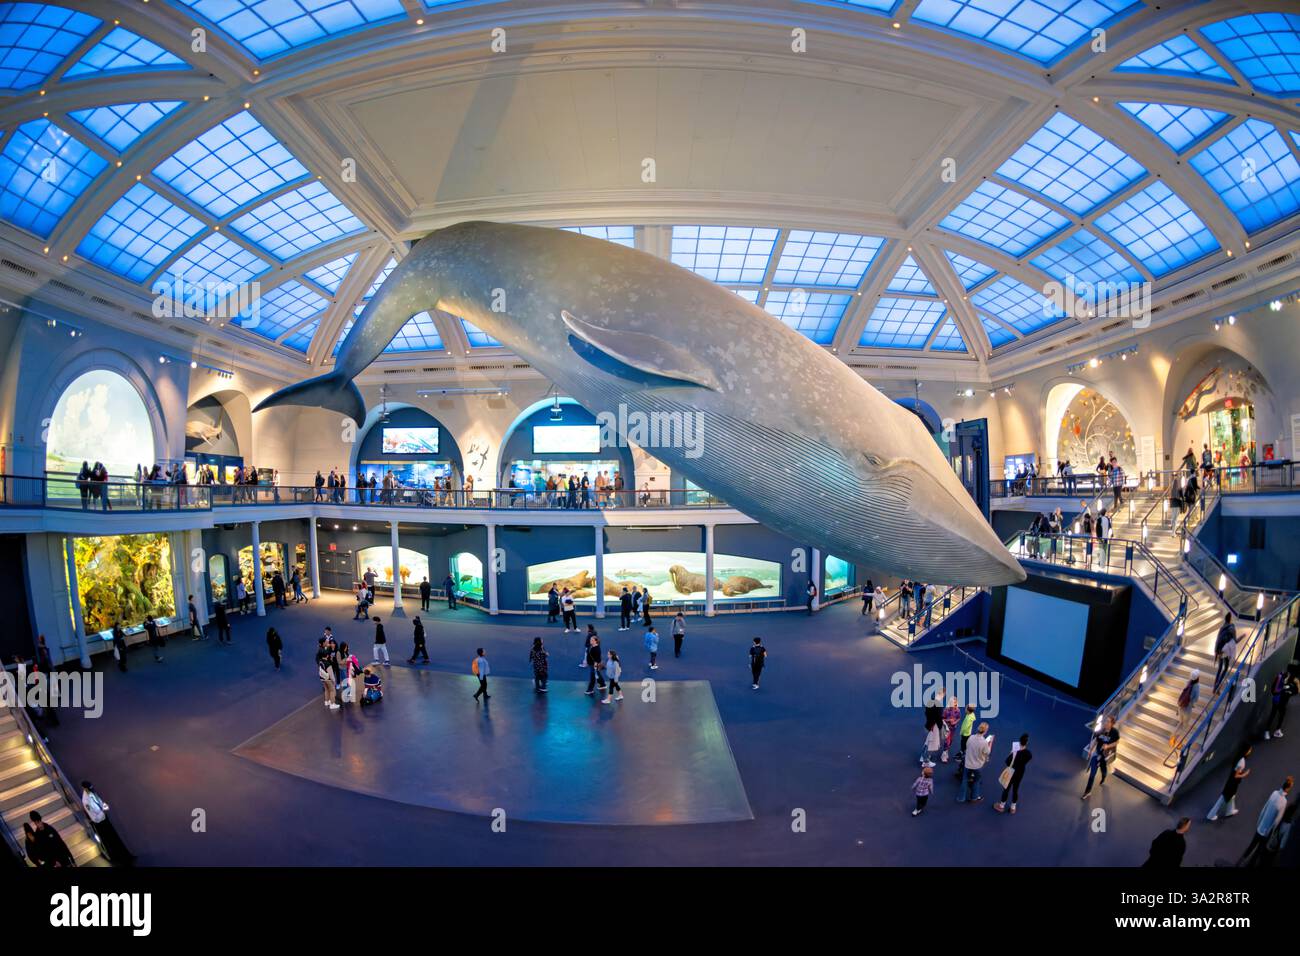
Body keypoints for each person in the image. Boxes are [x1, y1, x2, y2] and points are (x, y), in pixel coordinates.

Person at [1238, 776, 1292, 867]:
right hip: (1267, 832)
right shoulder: (1284, 801)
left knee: (1251, 846)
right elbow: (1277, 821)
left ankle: (1240, 862)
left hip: (1260, 826)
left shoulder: (1274, 793)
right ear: (1287, 788)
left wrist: (1259, 822)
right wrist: (1271, 833)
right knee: (1258, 851)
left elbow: (1264, 808)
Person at [81, 781, 133, 864]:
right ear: (84, 789)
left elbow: (98, 801)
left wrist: (104, 805)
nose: (91, 789)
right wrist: (103, 811)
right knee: (110, 842)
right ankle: (119, 861)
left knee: (115, 838)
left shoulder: (91, 792)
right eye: (89, 788)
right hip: (100, 824)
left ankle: (126, 856)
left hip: (104, 818)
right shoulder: (85, 801)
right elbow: (94, 818)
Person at [1207, 744, 1251, 821]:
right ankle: (1211, 815)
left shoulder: (1238, 757)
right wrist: (1245, 774)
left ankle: (1230, 811)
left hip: (1231, 781)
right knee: (1223, 798)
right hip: (1233, 782)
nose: (1250, 751)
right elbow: (1236, 775)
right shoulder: (1242, 761)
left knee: (1231, 796)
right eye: (1249, 750)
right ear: (1246, 751)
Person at [1082, 715, 1120, 798]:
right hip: (1097, 753)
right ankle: (1087, 791)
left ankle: (1103, 777)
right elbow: (1096, 740)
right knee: (1092, 773)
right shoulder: (1101, 731)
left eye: (1108, 721)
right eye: (1105, 721)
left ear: (1112, 724)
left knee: (1103, 770)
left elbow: (1117, 742)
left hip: (1105, 756)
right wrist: (1091, 750)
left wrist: (1108, 746)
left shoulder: (1115, 732)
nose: (1106, 723)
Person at [994, 733, 1032, 814]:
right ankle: (1013, 807)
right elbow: (1027, 760)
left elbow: (1007, 762)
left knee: (1006, 789)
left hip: (1011, 773)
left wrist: (1011, 753)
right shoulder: (1028, 754)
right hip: (1020, 773)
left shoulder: (1014, 753)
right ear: (1026, 742)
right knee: (1015, 789)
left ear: (1019, 742)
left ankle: (1001, 806)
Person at [957, 722, 991, 803]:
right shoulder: (984, 742)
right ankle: (974, 797)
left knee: (964, 780)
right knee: (976, 780)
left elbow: (967, 747)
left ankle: (961, 798)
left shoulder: (971, 737)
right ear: (985, 731)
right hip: (977, 766)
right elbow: (987, 752)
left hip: (968, 764)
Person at [1264, 669, 1298, 740]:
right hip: (1277, 700)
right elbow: (1273, 689)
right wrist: (1282, 691)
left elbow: (1296, 691)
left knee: (1281, 716)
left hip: (1283, 702)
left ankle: (1277, 731)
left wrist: (1290, 691)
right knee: (1273, 715)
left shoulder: (1292, 682)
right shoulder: (1280, 677)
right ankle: (1266, 731)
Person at [1170, 670, 1201, 747]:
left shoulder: (1188, 683)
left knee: (1180, 723)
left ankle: (1173, 738)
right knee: (1185, 726)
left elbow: (1183, 694)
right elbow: (1196, 699)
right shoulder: (1197, 686)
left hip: (1181, 706)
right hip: (1187, 709)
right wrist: (1192, 703)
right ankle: (1179, 743)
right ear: (1198, 678)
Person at [1214, 612, 1236, 690]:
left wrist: (1216, 652)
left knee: (1220, 669)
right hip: (1225, 652)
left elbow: (1217, 640)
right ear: (1230, 619)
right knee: (1225, 669)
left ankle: (1215, 687)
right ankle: (1217, 686)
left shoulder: (1222, 627)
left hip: (1219, 651)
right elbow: (1234, 641)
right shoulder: (1231, 628)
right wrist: (1242, 637)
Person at [317, 639, 339, 710]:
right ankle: (332, 704)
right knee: (332, 690)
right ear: (327, 655)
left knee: (326, 689)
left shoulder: (320, 661)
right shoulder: (328, 664)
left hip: (322, 678)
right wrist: (334, 681)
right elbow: (331, 675)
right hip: (328, 679)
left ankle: (327, 701)